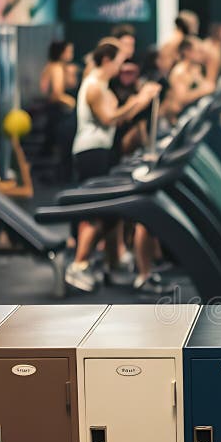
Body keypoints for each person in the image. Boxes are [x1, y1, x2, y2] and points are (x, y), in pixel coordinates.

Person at [65, 42, 162, 294]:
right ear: (107, 59)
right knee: (97, 212)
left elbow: (122, 116)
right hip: (90, 152)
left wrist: (143, 100)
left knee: (111, 212)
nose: (122, 67)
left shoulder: (101, 85)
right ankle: (78, 264)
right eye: (119, 61)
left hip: (102, 150)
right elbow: (110, 119)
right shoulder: (95, 87)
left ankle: (112, 263)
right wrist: (139, 99)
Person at [163, 36, 215, 121]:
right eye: (198, 51)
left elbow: (209, 87)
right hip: (176, 119)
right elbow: (180, 100)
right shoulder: (180, 72)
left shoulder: (195, 69)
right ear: (187, 52)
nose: (202, 55)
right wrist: (202, 91)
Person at [39, 40, 76, 156]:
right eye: (69, 51)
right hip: (58, 113)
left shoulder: (52, 66)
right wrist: (71, 102)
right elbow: (57, 94)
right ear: (62, 53)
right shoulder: (56, 68)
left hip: (52, 112)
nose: (71, 54)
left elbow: (71, 84)